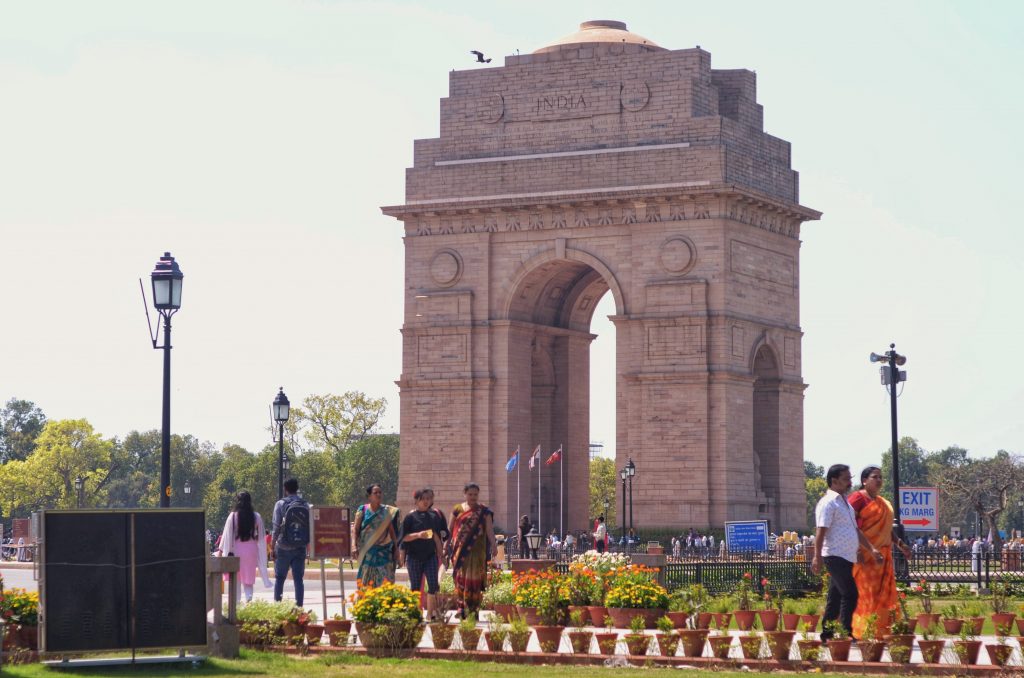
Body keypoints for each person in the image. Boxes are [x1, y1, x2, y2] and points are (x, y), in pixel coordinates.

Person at [811, 464, 883, 641]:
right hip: (834, 555)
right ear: (834, 481)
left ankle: (827, 634)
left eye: (850, 478)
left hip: (846, 556)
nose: (850, 482)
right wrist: (816, 556)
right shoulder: (828, 502)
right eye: (846, 479)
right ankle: (845, 632)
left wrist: (871, 549)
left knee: (835, 597)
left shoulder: (844, 502)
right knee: (850, 593)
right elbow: (821, 531)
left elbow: (855, 530)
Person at [847, 465, 913, 638]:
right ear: (864, 481)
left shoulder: (882, 502)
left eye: (880, 477)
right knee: (865, 594)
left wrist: (900, 544)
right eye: (874, 477)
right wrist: (856, 550)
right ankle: (860, 630)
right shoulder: (857, 499)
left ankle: (881, 630)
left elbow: (886, 530)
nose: (879, 480)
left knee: (883, 596)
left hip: (883, 557)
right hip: (864, 557)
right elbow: (849, 525)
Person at [446, 482, 496, 617]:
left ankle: (473, 610)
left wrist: (494, 545)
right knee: (460, 578)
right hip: (460, 550)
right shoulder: (457, 509)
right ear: (465, 494)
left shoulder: (484, 511)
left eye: (475, 494)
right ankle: (461, 608)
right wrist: (446, 544)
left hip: (477, 551)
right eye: (470, 494)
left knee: (474, 579)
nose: (473, 497)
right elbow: (450, 530)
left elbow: (490, 531)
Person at [217, 491, 272, 602]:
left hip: (236, 551)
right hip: (251, 550)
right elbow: (261, 537)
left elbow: (226, 535)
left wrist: (221, 551)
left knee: (236, 581)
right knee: (248, 581)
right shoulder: (256, 516)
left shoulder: (232, 516)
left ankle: (236, 607)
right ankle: (249, 602)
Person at [400, 487, 445, 620]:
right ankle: (416, 613)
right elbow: (404, 537)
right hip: (414, 557)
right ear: (416, 501)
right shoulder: (410, 517)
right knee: (415, 586)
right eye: (422, 499)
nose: (426, 502)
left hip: (430, 556)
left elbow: (436, 536)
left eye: (428, 499)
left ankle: (431, 614)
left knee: (433, 584)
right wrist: (418, 535)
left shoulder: (433, 516)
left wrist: (440, 552)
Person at [271, 477, 310, 606]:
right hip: (300, 546)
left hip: (283, 545)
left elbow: (276, 527)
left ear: (285, 489)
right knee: (298, 579)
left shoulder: (280, 504)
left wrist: (272, 546)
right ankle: (299, 609)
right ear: (297, 488)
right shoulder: (305, 505)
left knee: (280, 578)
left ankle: (277, 607)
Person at [353, 483, 401, 588]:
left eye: (380, 492)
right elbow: (356, 530)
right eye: (375, 493)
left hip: (383, 552)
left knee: (386, 581)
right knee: (366, 581)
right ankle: (366, 602)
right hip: (367, 551)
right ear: (369, 496)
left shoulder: (387, 511)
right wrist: (354, 546)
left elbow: (392, 532)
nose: (378, 494)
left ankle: (384, 602)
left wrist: (396, 549)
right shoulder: (363, 510)